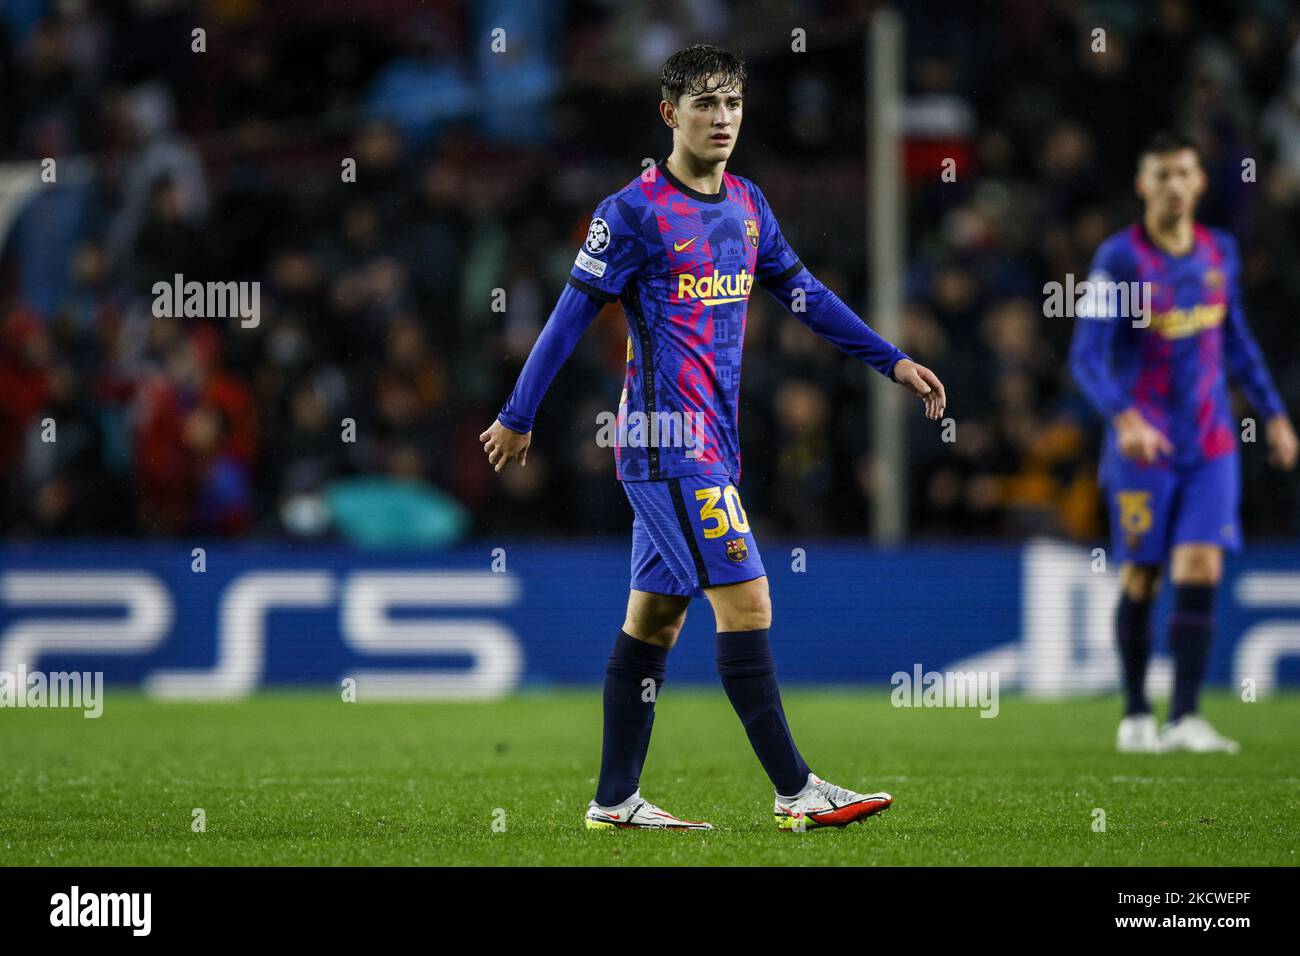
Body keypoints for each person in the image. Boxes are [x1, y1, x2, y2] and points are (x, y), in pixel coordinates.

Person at [481, 44, 946, 828]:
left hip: (712, 444)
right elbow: (570, 317)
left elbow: (803, 293)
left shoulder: (749, 204)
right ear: (670, 114)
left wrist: (890, 360)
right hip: (665, 444)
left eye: (732, 103)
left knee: (655, 620)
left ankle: (615, 800)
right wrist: (518, 414)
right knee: (749, 599)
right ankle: (797, 790)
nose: (723, 119)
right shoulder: (630, 212)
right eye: (705, 105)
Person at [1069, 130, 1298, 754]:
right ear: (1143, 186)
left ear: (1199, 182)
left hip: (1212, 441)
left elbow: (1237, 341)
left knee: (1202, 566)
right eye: (1161, 175)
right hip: (1146, 447)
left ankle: (1187, 716)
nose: (1174, 185)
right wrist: (1124, 418)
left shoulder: (1219, 251)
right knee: (1143, 574)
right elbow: (1086, 357)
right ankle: (1137, 711)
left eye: (1184, 174)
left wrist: (1275, 414)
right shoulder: (1118, 260)